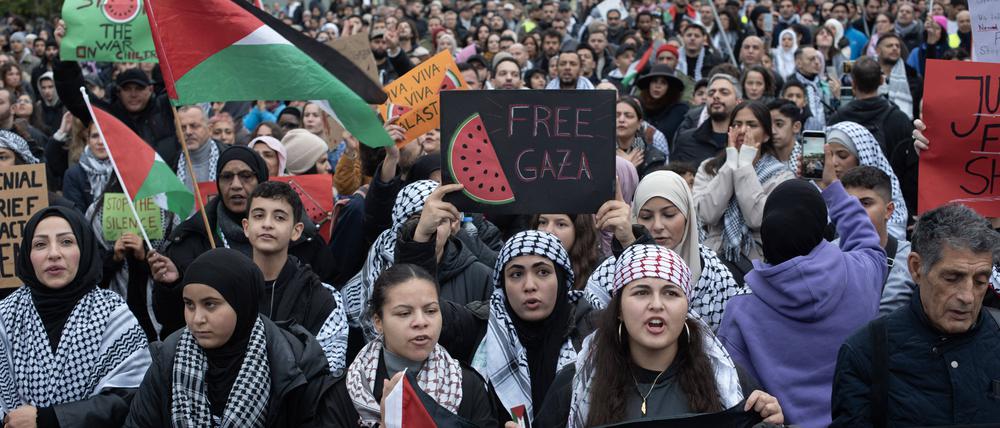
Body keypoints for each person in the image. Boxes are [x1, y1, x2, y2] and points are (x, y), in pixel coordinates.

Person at [537, 245, 783, 427]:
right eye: (641, 292)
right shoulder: (575, 384)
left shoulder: (727, 380)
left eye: (670, 293)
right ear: (619, 309)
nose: (656, 305)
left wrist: (772, 419)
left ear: (687, 308)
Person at [719, 177, 887, 428]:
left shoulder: (741, 311)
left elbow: (732, 389)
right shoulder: (861, 273)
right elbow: (869, 243)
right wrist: (833, 189)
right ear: (821, 226)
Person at [125, 249, 342, 426]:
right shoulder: (168, 358)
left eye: (210, 304)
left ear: (242, 303)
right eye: (189, 304)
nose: (197, 319)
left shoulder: (294, 364)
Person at [831, 204, 1000, 426]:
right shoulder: (866, 352)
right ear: (916, 267)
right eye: (952, 278)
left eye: (980, 281)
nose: (967, 297)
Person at [148, 146, 333, 338]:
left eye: (246, 176)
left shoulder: (306, 242)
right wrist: (172, 285)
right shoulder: (192, 238)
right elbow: (171, 319)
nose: (236, 185)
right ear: (246, 226)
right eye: (227, 177)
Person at [1, 207, 150, 427]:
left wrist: (51, 419)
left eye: (66, 242)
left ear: (85, 248)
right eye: (40, 244)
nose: (53, 253)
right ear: (26, 255)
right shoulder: (6, 315)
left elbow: (130, 396)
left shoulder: (112, 313)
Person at [328, 264, 498, 427]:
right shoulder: (347, 390)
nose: (421, 322)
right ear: (378, 322)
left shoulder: (465, 386)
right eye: (404, 313)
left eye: (431, 311)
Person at [585, 171, 749, 331]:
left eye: (669, 214)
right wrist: (630, 246)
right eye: (646, 217)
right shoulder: (609, 273)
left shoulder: (716, 275)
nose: (657, 226)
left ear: (687, 216)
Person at [471, 230, 595, 425]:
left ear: (561, 279)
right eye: (516, 274)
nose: (529, 285)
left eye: (543, 272)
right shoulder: (481, 326)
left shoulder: (593, 334)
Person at [243, 181, 349, 373]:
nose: (267, 224)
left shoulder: (320, 297)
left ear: (296, 230)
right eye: (259, 216)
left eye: (279, 217)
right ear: (246, 226)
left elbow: (327, 370)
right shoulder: (228, 288)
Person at [693, 101, 794, 264]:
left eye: (752, 125)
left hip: (757, 260)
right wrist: (731, 164)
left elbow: (757, 219)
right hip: (715, 259)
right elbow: (706, 214)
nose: (742, 130)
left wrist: (745, 167)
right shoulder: (708, 167)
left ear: (766, 135)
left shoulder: (782, 175)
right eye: (737, 124)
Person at [829, 56, 916, 216]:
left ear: (853, 84)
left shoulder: (838, 119)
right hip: (892, 207)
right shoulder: (900, 120)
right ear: (882, 81)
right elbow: (909, 170)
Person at [55, 63, 180, 166]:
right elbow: (76, 98)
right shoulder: (109, 116)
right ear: (119, 92)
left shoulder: (167, 109)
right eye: (127, 89)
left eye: (139, 88)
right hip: (124, 192)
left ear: (150, 89)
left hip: (169, 189)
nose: (133, 94)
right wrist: (65, 61)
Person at [841, 166, 916, 315]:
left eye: (866, 203)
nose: (855, 211)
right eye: (849, 204)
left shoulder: (911, 259)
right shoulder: (827, 255)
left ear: (888, 210)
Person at [824, 121, 909, 239]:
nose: (833, 162)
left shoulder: (885, 193)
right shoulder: (822, 190)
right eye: (829, 155)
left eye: (842, 155)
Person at [672, 74, 743, 165]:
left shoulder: (745, 141)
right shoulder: (686, 140)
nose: (716, 96)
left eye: (724, 92)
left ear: (738, 102)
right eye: (711, 93)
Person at [533, 214, 601, 290]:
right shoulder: (523, 262)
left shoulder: (599, 273)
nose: (548, 231)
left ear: (579, 231)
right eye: (543, 222)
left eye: (561, 224)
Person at [784, 47, 839, 130]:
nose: (817, 62)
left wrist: (836, 97)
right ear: (799, 63)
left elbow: (834, 112)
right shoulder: (790, 85)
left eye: (818, 58)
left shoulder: (825, 83)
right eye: (811, 59)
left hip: (826, 132)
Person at [62, 123, 111, 212]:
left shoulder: (124, 171)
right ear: (88, 140)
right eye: (95, 136)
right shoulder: (73, 175)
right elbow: (75, 214)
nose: (100, 141)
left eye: (105, 135)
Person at [635, 64, 688, 148]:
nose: (657, 86)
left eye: (663, 83)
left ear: (670, 88)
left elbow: (668, 135)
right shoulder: (639, 106)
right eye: (654, 81)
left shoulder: (679, 110)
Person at [175, 105, 225, 193]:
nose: (188, 132)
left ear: (209, 129)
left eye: (194, 126)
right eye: (182, 128)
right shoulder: (170, 164)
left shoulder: (227, 158)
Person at [615, 96, 668, 177]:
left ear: (639, 123)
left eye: (628, 116)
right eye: (616, 115)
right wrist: (625, 167)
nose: (621, 119)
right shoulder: (600, 151)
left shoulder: (654, 157)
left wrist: (627, 169)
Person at [874, 33, 922, 119]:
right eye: (889, 46)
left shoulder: (912, 76)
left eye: (897, 46)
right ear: (878, 50)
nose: (895, 48)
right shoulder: (867, 73)